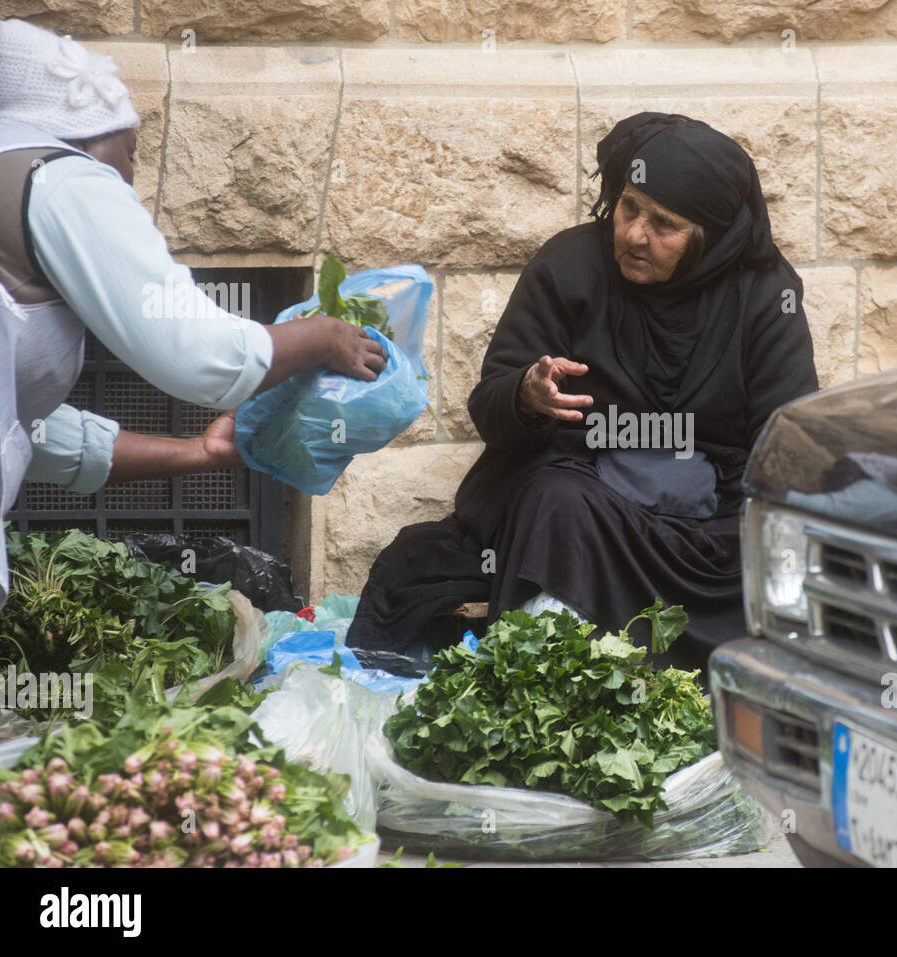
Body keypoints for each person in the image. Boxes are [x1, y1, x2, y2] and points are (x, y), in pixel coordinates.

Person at [349, 111, 819, 673]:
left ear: (710, 238)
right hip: (590, 502)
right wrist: (526, 395)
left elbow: (785, 441)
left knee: (787, 548)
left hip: (708, 523)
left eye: (664, 224)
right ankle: (554, 672)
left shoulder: (766, 296)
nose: (635, 234)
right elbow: (490, 401)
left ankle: (717, 687)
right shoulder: (570, 265)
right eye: (628, 208)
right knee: (555, 503)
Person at [0, 19, 387, 618]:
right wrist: (326, 337)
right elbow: (202, 355)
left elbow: (24, 431)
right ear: (86, 134)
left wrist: (198, 452)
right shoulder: (63, 177)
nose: (129, 177)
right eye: (131, 153)